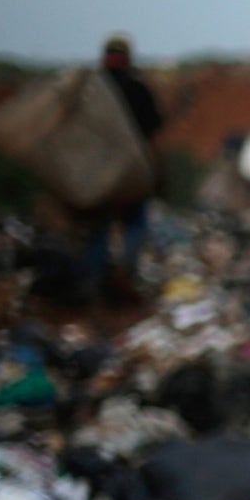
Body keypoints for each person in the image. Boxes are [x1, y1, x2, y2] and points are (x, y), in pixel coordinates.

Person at [82, 32, 163, 302]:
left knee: (99, 225)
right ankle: (124, 274)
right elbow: (151, 135)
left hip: (97, 171)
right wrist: (156, 171)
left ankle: (96, 280)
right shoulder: (137, 89)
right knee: (135, 223)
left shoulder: (92, 91)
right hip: (130, 171)